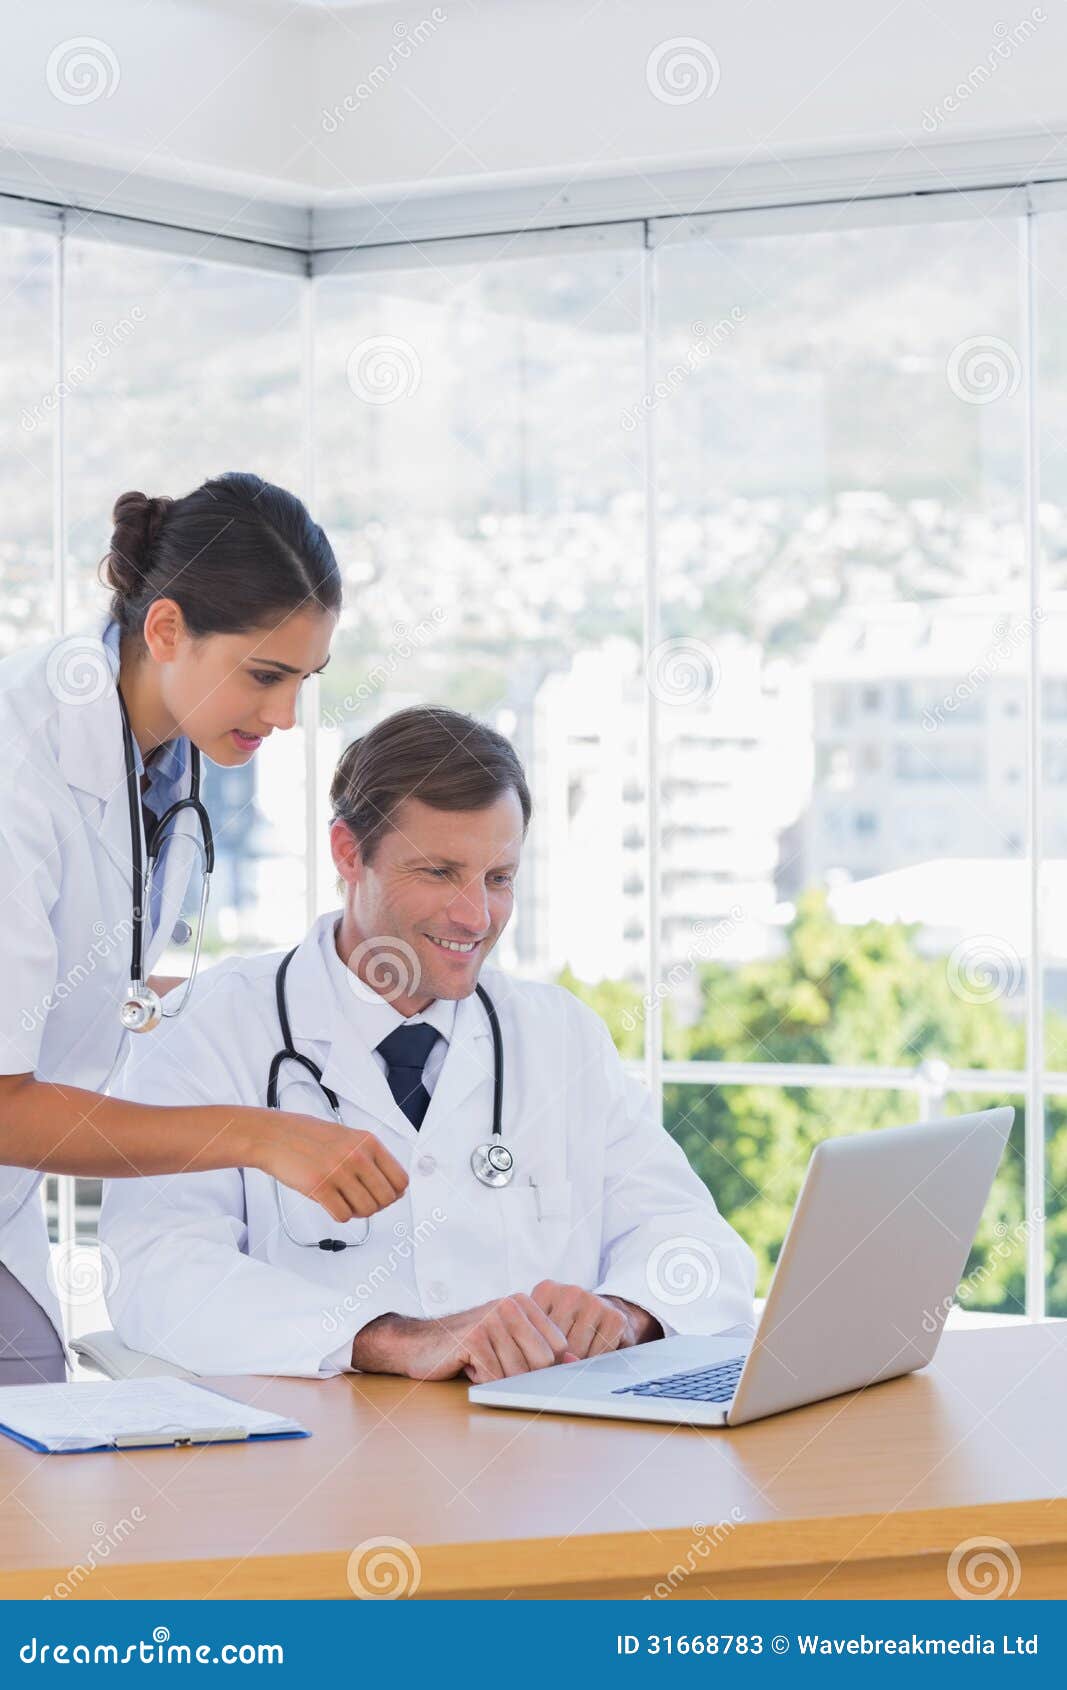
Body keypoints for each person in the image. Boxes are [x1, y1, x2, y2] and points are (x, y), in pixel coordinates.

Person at [100, 706, 755, 1381]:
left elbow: (695, 1242)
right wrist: (395, 1340)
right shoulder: (207, 1026)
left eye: (498, 879)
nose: (476, 917)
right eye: (440, 873)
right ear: (348, 853)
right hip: (315, 1454)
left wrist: (624, 1311)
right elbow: (156, 1271)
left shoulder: (559, 1035)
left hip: (538, 1462)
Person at [0, 474, 406, 1386]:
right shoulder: (17, 767)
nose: (284, 716)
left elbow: (91, 988)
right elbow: (4, 1102)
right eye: (265, 676)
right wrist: (260, 1135)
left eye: (303, 680)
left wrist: (274, 1004)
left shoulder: (162, 750)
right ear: (166, 629)